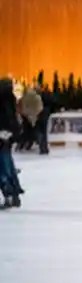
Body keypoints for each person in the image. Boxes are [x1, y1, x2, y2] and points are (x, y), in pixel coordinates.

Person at [0, 78, 24, 209]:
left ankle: (9, 195)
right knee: (7, 163)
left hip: (2, 134)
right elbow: (14, 118)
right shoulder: (11, 100)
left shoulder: (3, 101)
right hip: (8, 135)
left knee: (3, 166)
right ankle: (14, 195)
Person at [18, 83, 42, 152]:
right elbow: (39, 107)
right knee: (32, 130)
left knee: (26, 130)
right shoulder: (36, 97)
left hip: (25, 115)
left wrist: (22, 113)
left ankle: (22, 144)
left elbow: (20, 105)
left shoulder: (24, 96)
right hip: (33, 116)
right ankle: (29, 143)